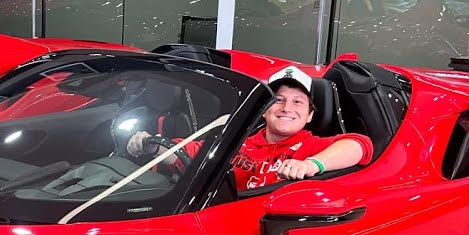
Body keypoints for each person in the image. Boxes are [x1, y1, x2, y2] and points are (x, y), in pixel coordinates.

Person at [125, 66, 373, 190]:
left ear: (309, 116)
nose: (287, 107)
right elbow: (191, 153)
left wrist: (310, 165)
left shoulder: (311, 147)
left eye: (298, 102)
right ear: (264, 110)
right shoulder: (239, 140)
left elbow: (360, 146)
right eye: (278, 100)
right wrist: (153, 146)